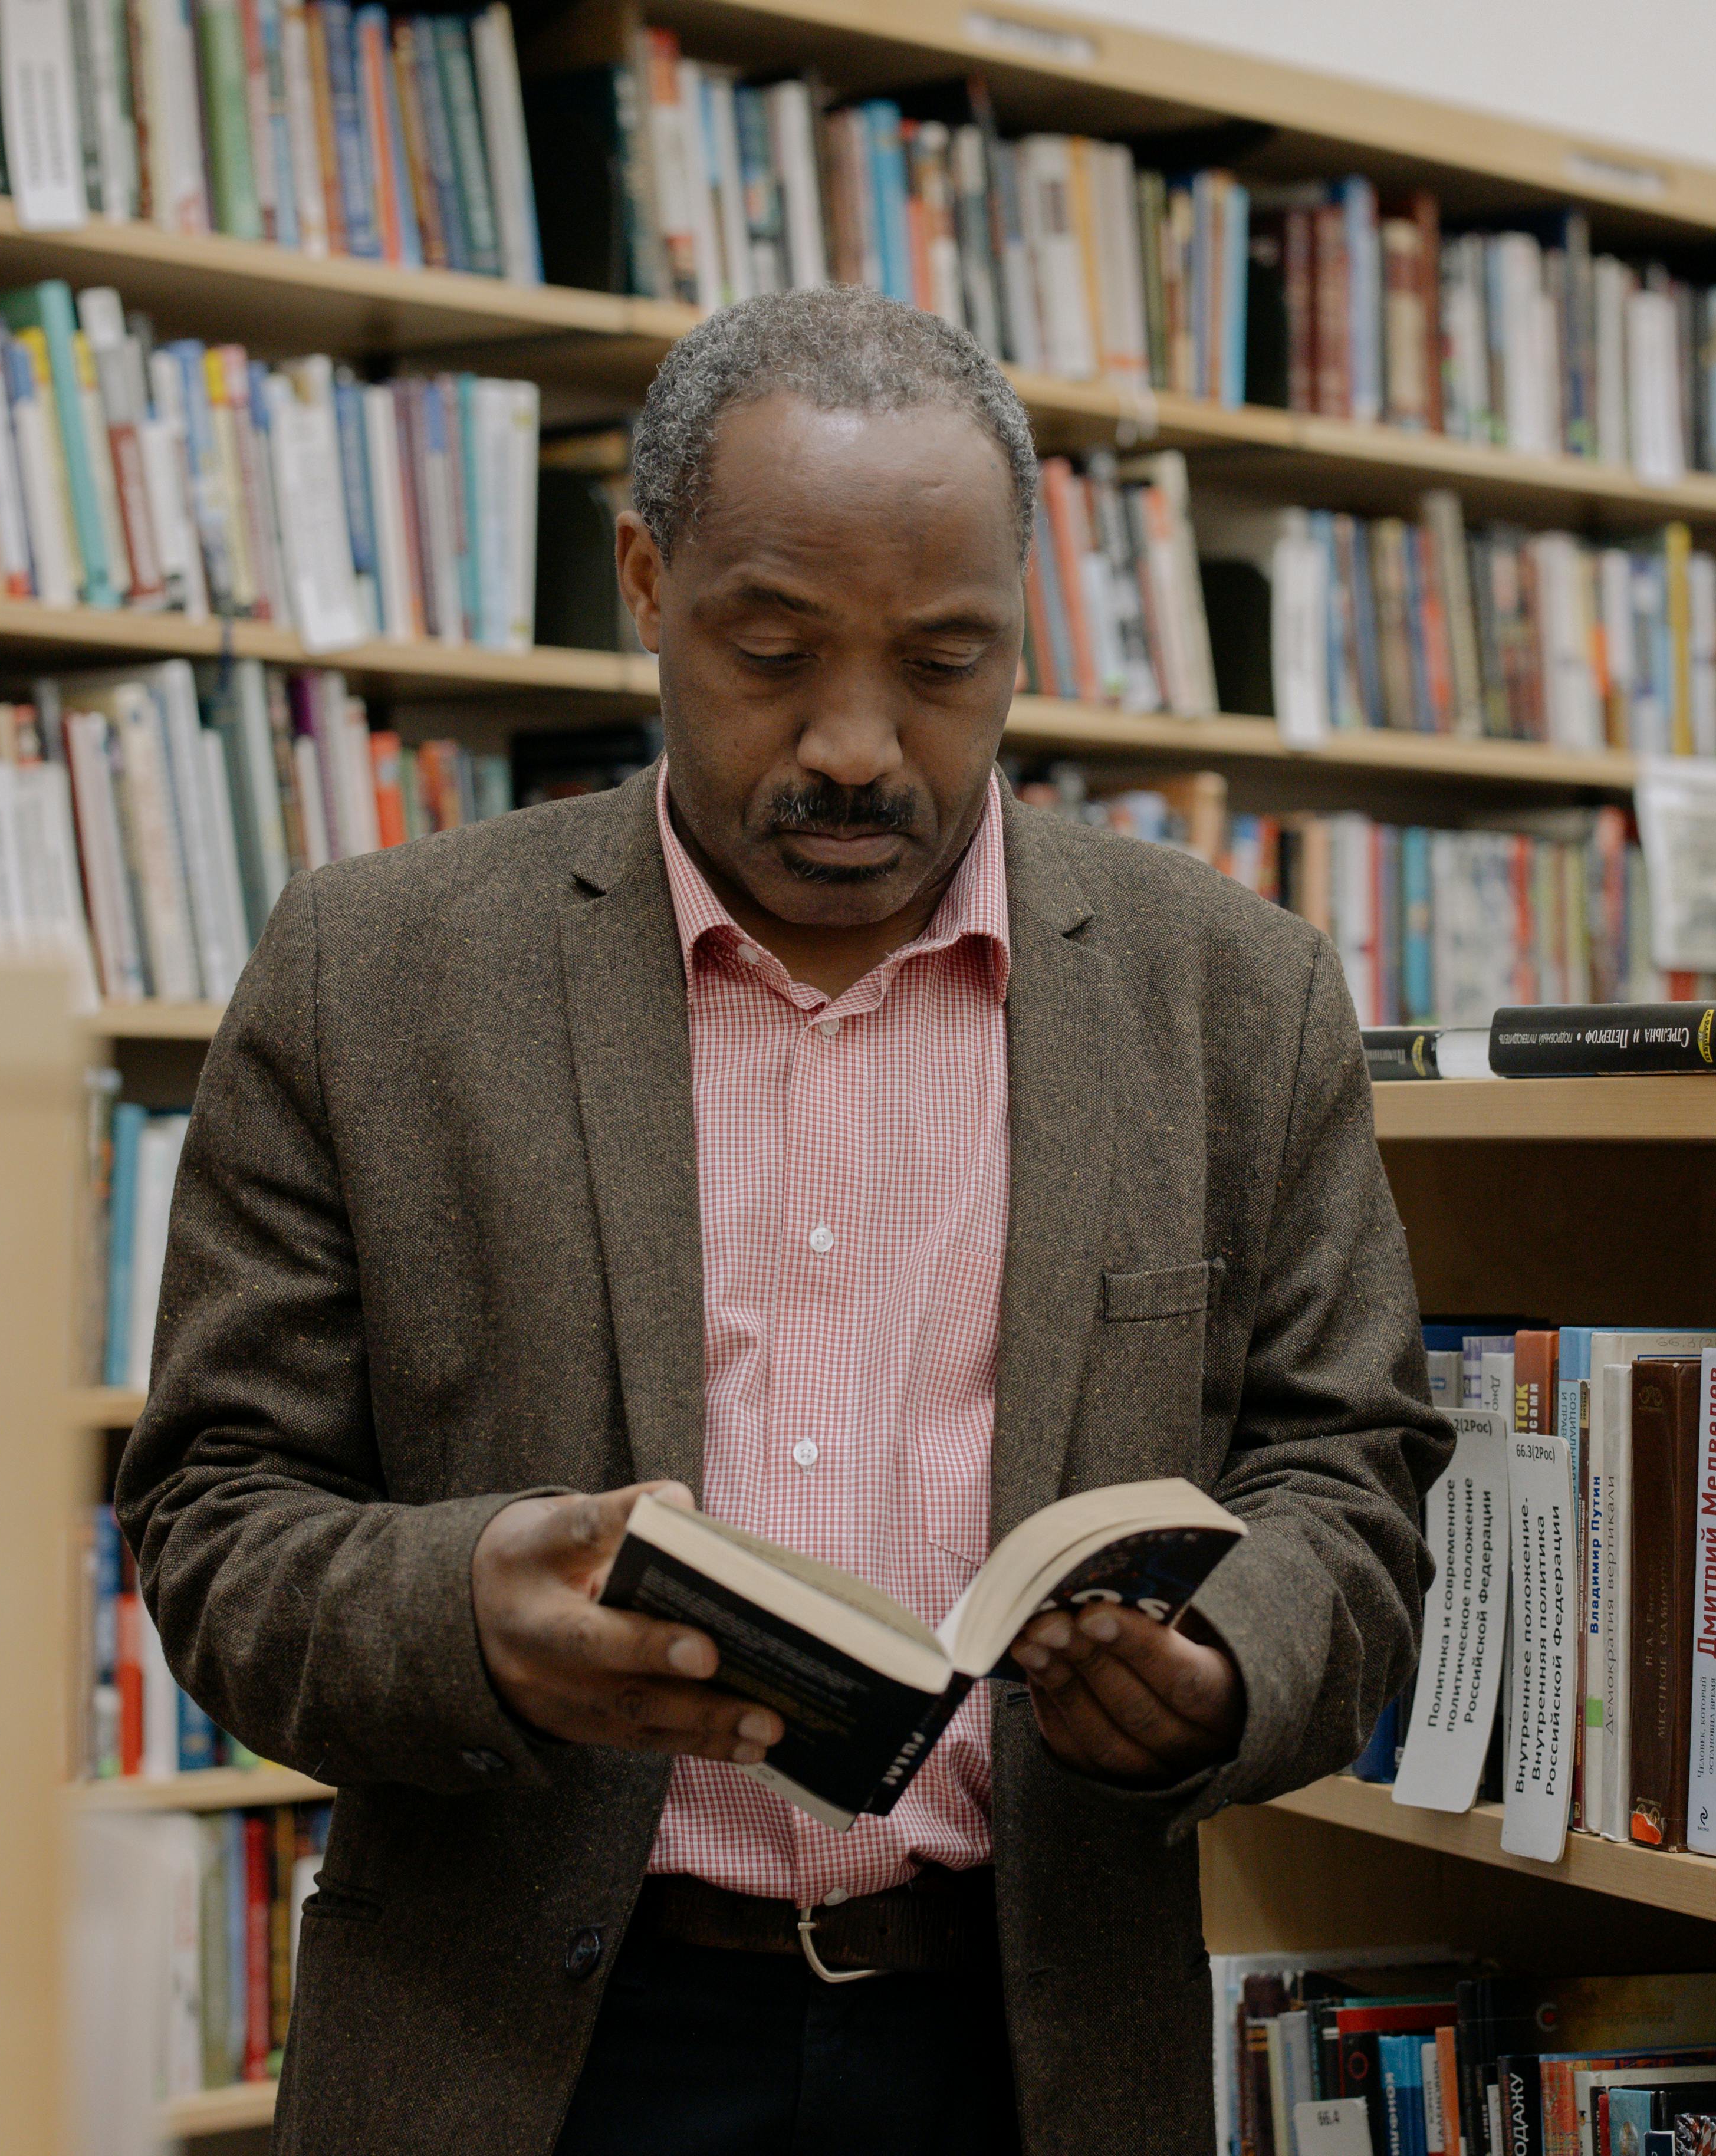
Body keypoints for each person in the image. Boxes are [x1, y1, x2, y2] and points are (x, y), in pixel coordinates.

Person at [118, 287, 1451, 2156]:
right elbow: (213, 1513)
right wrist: (471, 1615)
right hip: (523, 2056)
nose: (853, 743)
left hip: (1024, 2045)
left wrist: (1226, 1670)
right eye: (773, 649)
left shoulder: (1231, 993)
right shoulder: (378, 972)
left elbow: (1353, 1472)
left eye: (942, 662)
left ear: (1024, 631)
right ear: (647, 583)